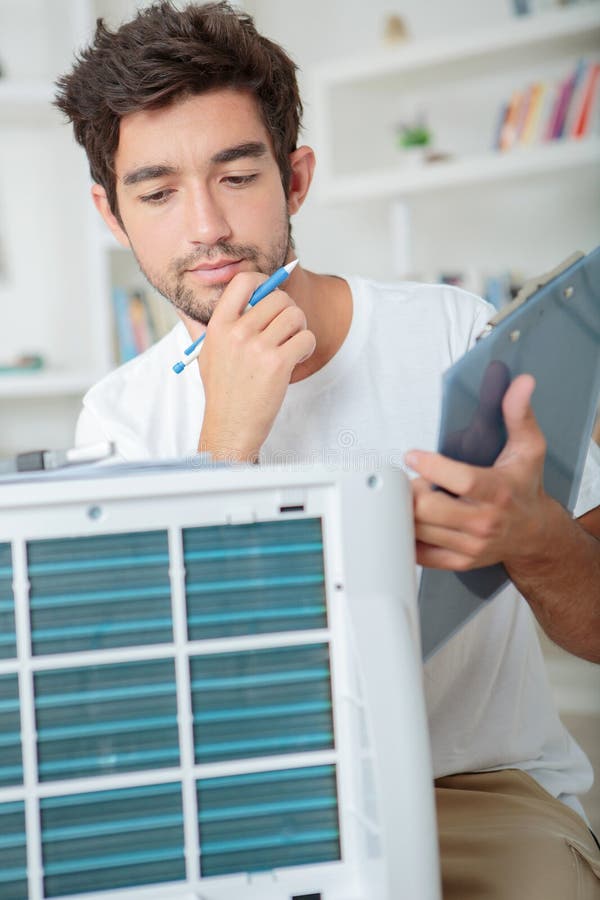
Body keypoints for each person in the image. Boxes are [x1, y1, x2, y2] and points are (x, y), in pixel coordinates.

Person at [55, 2, 600, 896]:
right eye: (156, 193)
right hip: (244, 814)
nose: (205, 228)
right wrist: (225, 440)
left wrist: (534, 538)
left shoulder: (458, 335)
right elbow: (148, 711)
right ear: (113, 214)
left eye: (237, 176)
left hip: (469, 793)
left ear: (295, 178)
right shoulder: (118, 417)